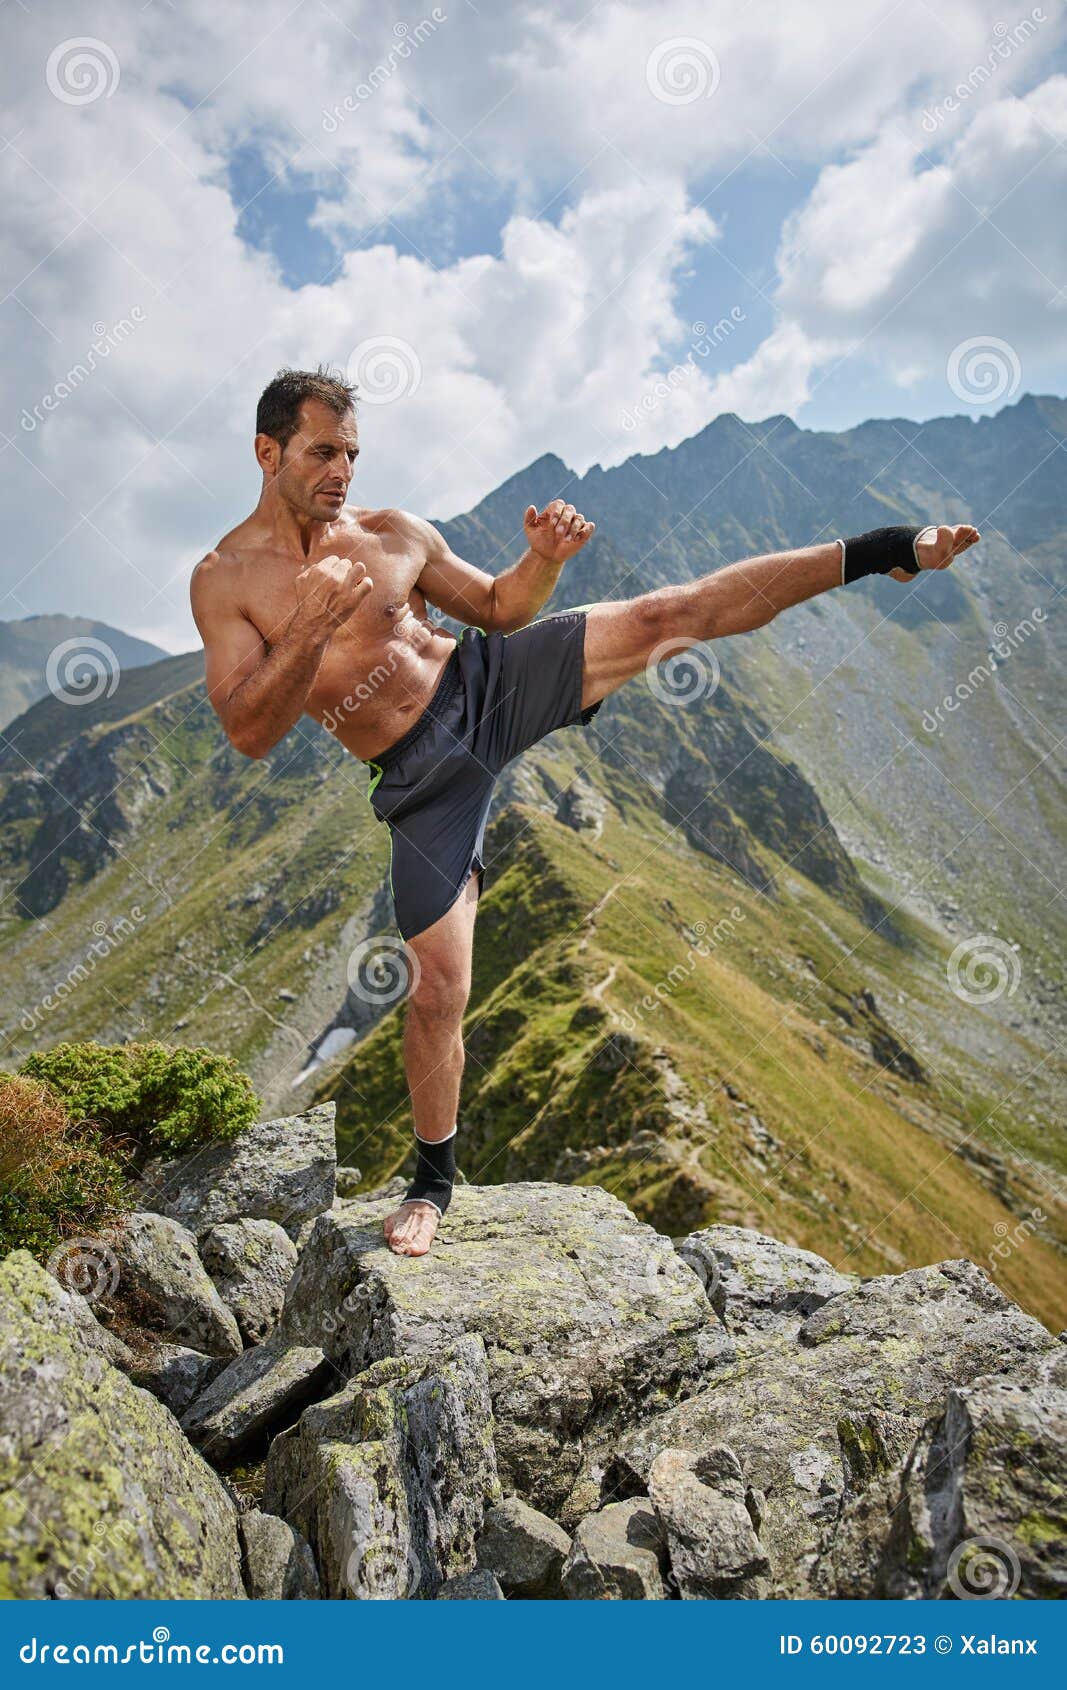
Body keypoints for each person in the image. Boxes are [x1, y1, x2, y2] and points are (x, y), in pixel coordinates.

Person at [191, 365, 980, 1257]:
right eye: (322, 452)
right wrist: (308, 624)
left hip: (484, 686)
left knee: (665, 615)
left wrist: (541, 564)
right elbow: (249, 729)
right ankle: (432, 1181)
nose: (342, 471)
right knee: (438, 990)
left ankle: (884, 549)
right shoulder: (224, 580)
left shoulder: (392, 531)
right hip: (416, 781)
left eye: (352, 453)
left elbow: (496, 607)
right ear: (268, 451)